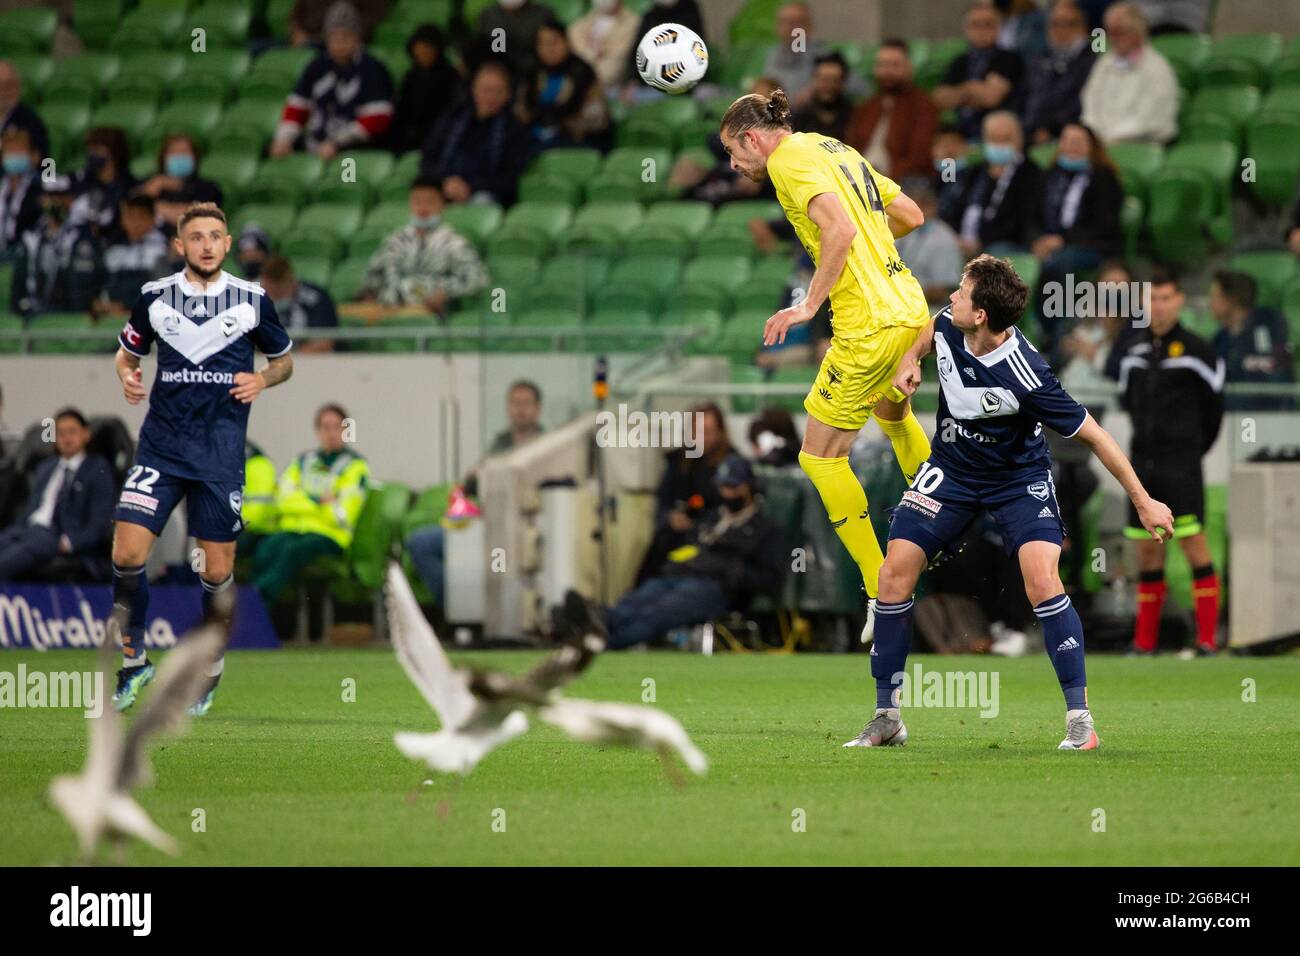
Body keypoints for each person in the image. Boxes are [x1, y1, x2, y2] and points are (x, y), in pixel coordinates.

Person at [845, 254, 1174, 750]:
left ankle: (1080, 721)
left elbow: (1098, 438)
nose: (950, 296)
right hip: (952, 470)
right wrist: (912, 360)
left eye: (961, 291)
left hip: (1017, 479)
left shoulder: (1029, 375)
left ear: (981, 315)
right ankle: (887, 715)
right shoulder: (951, 325)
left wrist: (1144, 500)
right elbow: (928, 329)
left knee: (1042, 578)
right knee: (894, 571)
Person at [719, 89, 933, 640]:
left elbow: (839, 231)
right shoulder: (832, 147)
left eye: (732, 152)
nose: (733, 165)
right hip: (908, 309)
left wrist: (807, 305)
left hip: (867, 325)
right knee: (891, 414)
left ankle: (879, 585)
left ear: (751, 136)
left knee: (819, 458)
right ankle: (942, 510)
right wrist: (873, 259)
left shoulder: (788, 161)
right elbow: (910, 214)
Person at [110, 201, 294, 715]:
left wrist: (262, 378)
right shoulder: (154, 298)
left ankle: (210, 669)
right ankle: (134, 661)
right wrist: (125, 374)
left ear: (228, 244)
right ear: (180, 246)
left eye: (216, 236)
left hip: (218, 453)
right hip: (162, 447)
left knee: (216, 570)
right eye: (197, 237)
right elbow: (127, 351)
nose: (207, 245)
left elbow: (284, 361)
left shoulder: (252, 300)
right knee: (126, 554)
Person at [565, 455, 786, 650]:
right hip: (681, 575)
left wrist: (730, 569)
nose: (726, 493)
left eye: (732, 486)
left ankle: (598, 639)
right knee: (637, 600)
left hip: (716, 588)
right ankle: (596, 619)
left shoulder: (765, 530)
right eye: (723, 486)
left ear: (748, 487)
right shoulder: (709, 521)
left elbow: (770, 579)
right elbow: (685, 548)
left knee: (655, 614)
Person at [1115, 270, 1222, 657]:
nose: (1158, 305)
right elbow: (1128, 403)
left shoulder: (1200, 351)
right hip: (1142, 464)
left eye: (1166, 298)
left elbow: (1215, 412)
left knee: (1194, 545)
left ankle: (1207, 639)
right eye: (1153, 298)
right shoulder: (1134, 352)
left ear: (1179, 301)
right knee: (1147, 552)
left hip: (1182, 464)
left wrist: (1189, 449)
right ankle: (1144, 643)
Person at [406, 380, 545, 607]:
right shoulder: (499, 444)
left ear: (537, 409)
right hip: (486, 525)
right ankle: (457, 609)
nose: (520, 409)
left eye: (526, 403)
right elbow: (477, 483)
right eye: (515, 402)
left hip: (525, 531)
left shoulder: (548, 447)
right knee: (421, 543)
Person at [250, 403, 369, 628]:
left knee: (291, 551)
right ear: (317, 431)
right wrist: (318, 502)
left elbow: (344, 514)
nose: (331, 433)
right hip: (294, 529)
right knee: (266, 547)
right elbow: (282, 499)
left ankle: (256, 608)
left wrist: (302, 498)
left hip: (329, 536)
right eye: (325, 427)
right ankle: (249, 602)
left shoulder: (355, 467)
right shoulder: (303, 462)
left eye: (337, 427)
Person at [1031, 122, 1123, 348]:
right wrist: (1038, 241)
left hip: (1093, 247)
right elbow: (1030, 216)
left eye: (1078, 142)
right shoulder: (1048, 177)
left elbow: (1105, 225)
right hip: (1049, 245)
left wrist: (1063, 240)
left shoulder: (1104, 178)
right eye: (1067, 141)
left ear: (1091, 147)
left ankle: (1057, 334)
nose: (1071, 146)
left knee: (1059, 263)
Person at [0, 408, 115, 582]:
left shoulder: (97, 470)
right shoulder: (46, 468)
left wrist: (69, 543)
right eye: (61, 433)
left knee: (15, 557)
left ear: (86, 434)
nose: (66, 438)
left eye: (72, 432)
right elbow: (32, 507)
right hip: (27, 530)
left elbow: (98, 524)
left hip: (56, 536)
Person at [271, 1, 395, 159]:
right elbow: (297, 106)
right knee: (276, 154)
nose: (339, 44)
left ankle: (347, 181)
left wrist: (337, 142)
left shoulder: (373, 69)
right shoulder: (317, 66)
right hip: (316, 144)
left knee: (346, 176)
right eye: (333, 37)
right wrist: (284, 138)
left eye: (345, 37)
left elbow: (379, 118)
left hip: (354, 149)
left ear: (357, 38)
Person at [359, 175, 488, 314]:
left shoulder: (455, 243)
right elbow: (372, 278)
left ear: (442, 205)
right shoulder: (394, 242)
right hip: (389, 310)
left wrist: (445, 293)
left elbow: (477, 279)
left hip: (428, 312)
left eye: (430, 201)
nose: (423, 208)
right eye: (417, 201)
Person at [636, 401, 732, 583]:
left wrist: (696, 526)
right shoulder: (678, 461)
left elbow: (733, 512)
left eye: (709, 432)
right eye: (698, 432)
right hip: (673, 535)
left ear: (720, 432)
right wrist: (670, 518)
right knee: (660, 545)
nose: (703, 438)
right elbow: (663, 501)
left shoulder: (731, 466)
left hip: (709, 542)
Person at [420, 59, 533, 206]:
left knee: (481, 202)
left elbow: (510, 177)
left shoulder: (514, 129)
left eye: (497, 91)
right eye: (486, 89)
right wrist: (445, 181)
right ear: (474, 89)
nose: (490, 97)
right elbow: (428, 159)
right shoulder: (452, 118)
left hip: (485, 193)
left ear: (507, 95)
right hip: (445, 185)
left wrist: (469, 186)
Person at [1079, 2, 1178, 145]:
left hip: (1142, 145)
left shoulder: (1157, 68)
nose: (1113, 38)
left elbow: (1148, 119)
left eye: (1119, 32)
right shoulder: (1104, 63)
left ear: (1137, 31)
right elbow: (1090, 100)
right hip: (1102, 142)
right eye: (1110, 32)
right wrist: (1095, 133)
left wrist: (1109, 137)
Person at [948, 110, 1043, 258]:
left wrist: (981, 242)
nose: (999, 145)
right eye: (993, 139)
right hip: (961, 240)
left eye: (1005, 139)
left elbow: (1021, 221)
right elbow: (954, 207)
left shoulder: (1030, 174)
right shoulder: (975, 171)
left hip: (1001, 244)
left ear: (1019, 140)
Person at [843, 40, 939, 183]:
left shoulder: (923, 106)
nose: (887, 72)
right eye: (882, 65)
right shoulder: (866, 108)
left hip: (900, 182)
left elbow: (920, 157)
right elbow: (849, 149)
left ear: (909, 68)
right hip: (859, 179)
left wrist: (883, 180)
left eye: (895, 65)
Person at [11, 175, 102, 319]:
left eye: (62, 196)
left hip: (67, 318)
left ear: (71, 199)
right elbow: (18, 289)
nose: (56, 202)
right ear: (42, 199)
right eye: (51, 196)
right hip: (32, 316)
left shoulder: (84, 237)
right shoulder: (30, 238)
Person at [932, 2, 1024, 141]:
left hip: (995, 135)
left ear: (999, 28)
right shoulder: (960, 61)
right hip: (960, 134)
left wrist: (960, 94)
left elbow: (990, 97)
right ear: (966, 29)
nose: (981, 30)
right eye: (976, 24)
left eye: (988, 24)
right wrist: (972, 89)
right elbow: (939, 98)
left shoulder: (1009, 58)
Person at [1208, 270, 1294, 411]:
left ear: (1231, 299)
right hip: (1233, 421)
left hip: (1274, 418)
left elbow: (1277, 379)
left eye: (1215, 296)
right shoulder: (1219, 340)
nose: (1210, 303)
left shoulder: (1270, 324)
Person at [515, 19, 608, 150]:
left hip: (576, 140)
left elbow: (596, 119)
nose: (549, 49)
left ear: (566, 42)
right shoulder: (532, 72)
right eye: (543, 44)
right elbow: (522, 111)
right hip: (535, 137)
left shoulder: (582, 71)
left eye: (553, 42)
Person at [1020, 0, 1096, 145]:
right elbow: (1025, 99)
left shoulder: (1092, 63)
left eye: (1070, 24)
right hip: (1030, 136)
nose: (1061, 30)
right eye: (1055, 24)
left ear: (1084, 29)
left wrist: (1050, 130)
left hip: (1069, 137)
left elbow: (1081, 105)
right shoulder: (1038, 62)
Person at [94, 192, 170, 319]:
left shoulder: (162, 250)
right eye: (130, 216)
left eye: (140, 217)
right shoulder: (114, 252)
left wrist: (126, 307)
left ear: (152, 219)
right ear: (123, 220)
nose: (135, 223)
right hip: (112, 316)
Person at [389, 23, 462, 155]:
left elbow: (452, 113)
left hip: (439, 138)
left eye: (427, 49)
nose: (423, 53)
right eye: (420, 49)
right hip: (409, 138)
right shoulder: (411, 77)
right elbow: (402, 111)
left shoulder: (450, 77)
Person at [894, 179, 963, 306]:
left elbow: (943, 290)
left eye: (923, 204)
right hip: (900, 303)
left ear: (932, 206)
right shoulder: (902, 231)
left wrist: (902, 293)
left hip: (930, 310)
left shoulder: (944, 238)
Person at [259, 254, 339, 353]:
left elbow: (324, 342)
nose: (274, 297)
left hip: (309, 360)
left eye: (279, 292)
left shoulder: (316, 299)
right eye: (269, 291)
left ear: (291, 281)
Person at [71, 127, 136, 237]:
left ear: (114, 152)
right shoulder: (84, 182)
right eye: (89, 150)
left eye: (96, 149)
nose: (91, 154)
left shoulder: (129, 186)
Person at [467, 0, 554, 79]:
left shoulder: (543, 14)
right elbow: (477, 50)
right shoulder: (487, 15)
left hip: (534, 76)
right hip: (498, 76)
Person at [568, 0, 640, 95]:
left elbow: (617, 59)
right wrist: (591, 54)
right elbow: (572, 35)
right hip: (582, 73)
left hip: (607, 80)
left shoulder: (633, 22)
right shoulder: (589, 18)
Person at [136, 133, 223, 208]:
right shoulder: (153, 181)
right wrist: (148, 191)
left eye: (184, 152)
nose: (179, 156)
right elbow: (131, 208)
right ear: (163, 158)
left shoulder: (208, 188)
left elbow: (194, 215)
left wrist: (156, 207)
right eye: (174, 152)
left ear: (195, 158)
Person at [790, 52, 854, 141]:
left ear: (843, 82)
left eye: (834, 80)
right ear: (813, 80)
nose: (828, 86)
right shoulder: (798, 116)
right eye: (823, 80)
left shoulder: (854, 117)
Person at [0, 124, 41, 260]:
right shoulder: (3, 185)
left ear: (34, 156)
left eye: (19, 151)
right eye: (10, 151)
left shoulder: (39, 188)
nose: (14, 156)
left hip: (23, 253)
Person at [0, 60, 49, 162]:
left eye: (9, 85)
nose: (4, 92)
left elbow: (43, 160)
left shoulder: (30, 120)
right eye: (1, 86)